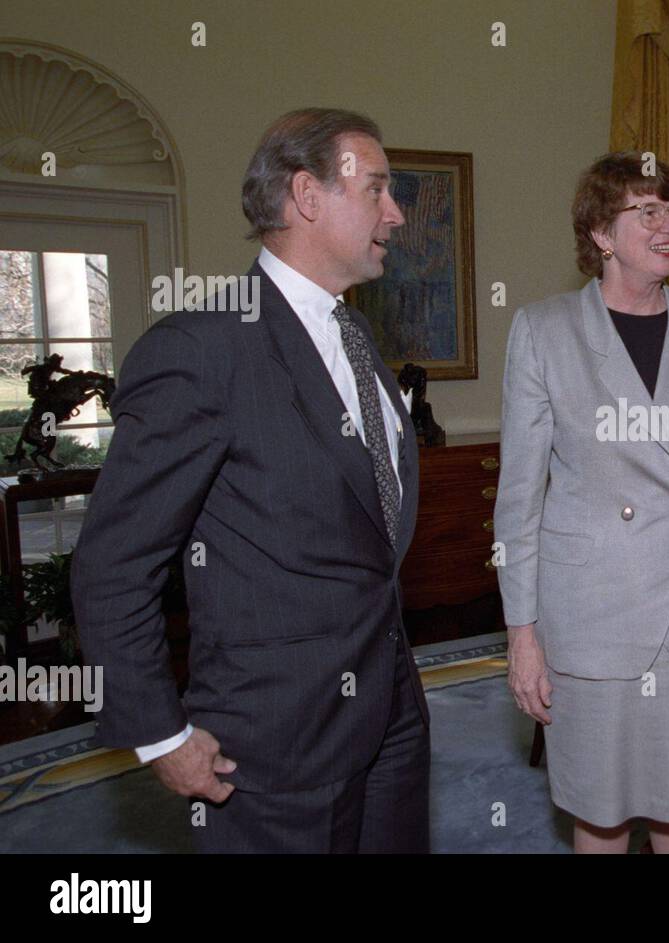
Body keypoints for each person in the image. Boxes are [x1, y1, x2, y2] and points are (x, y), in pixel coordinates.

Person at [72, 108, 429, 853]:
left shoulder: (357, 334)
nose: (395, 214)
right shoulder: (201, 351)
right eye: (379, 191)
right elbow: (112, 565)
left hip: (390, 715)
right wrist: (159, 733)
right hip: (273, 743)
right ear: (307, 194)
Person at [495, 152, 669, 854]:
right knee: (601, 811)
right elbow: (519, 500)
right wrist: (521, 635)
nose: (668, 225)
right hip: (592, 615)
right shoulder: (544, 331)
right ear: (601, 234)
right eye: (646, 211)